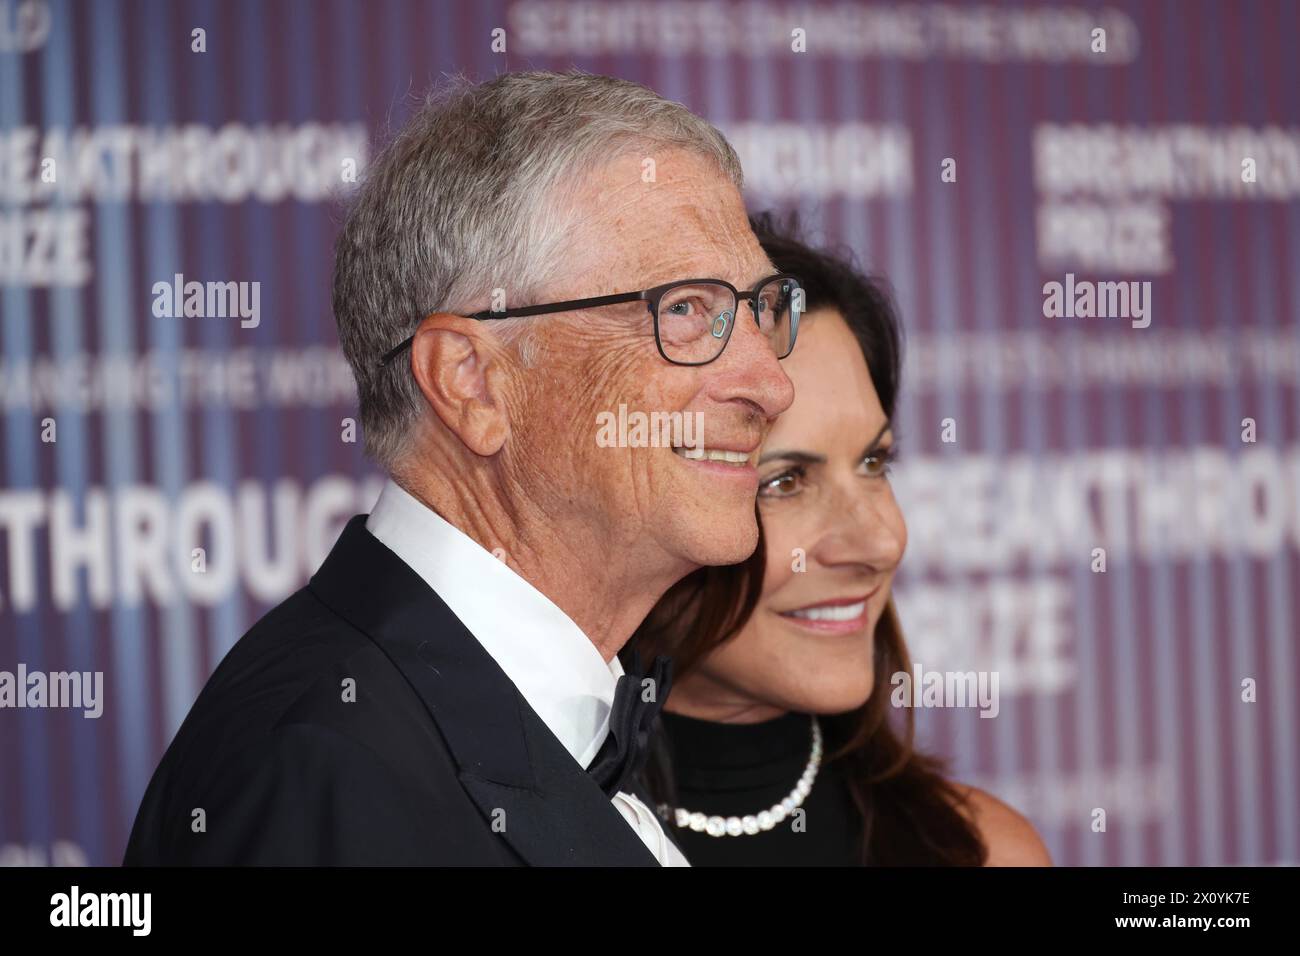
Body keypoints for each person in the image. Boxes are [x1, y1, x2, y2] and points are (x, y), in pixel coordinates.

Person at [123, 70, 800, 866]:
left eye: (761, 308)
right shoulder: (323, 769)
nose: (772, 384)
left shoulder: (549, 715)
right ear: (471, 383)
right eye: (686, 308)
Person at [631, 212, 1052, 866]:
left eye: (874, 463)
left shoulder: (984, 853)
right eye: (786, 481)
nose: (880, 542)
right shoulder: (486, 837)